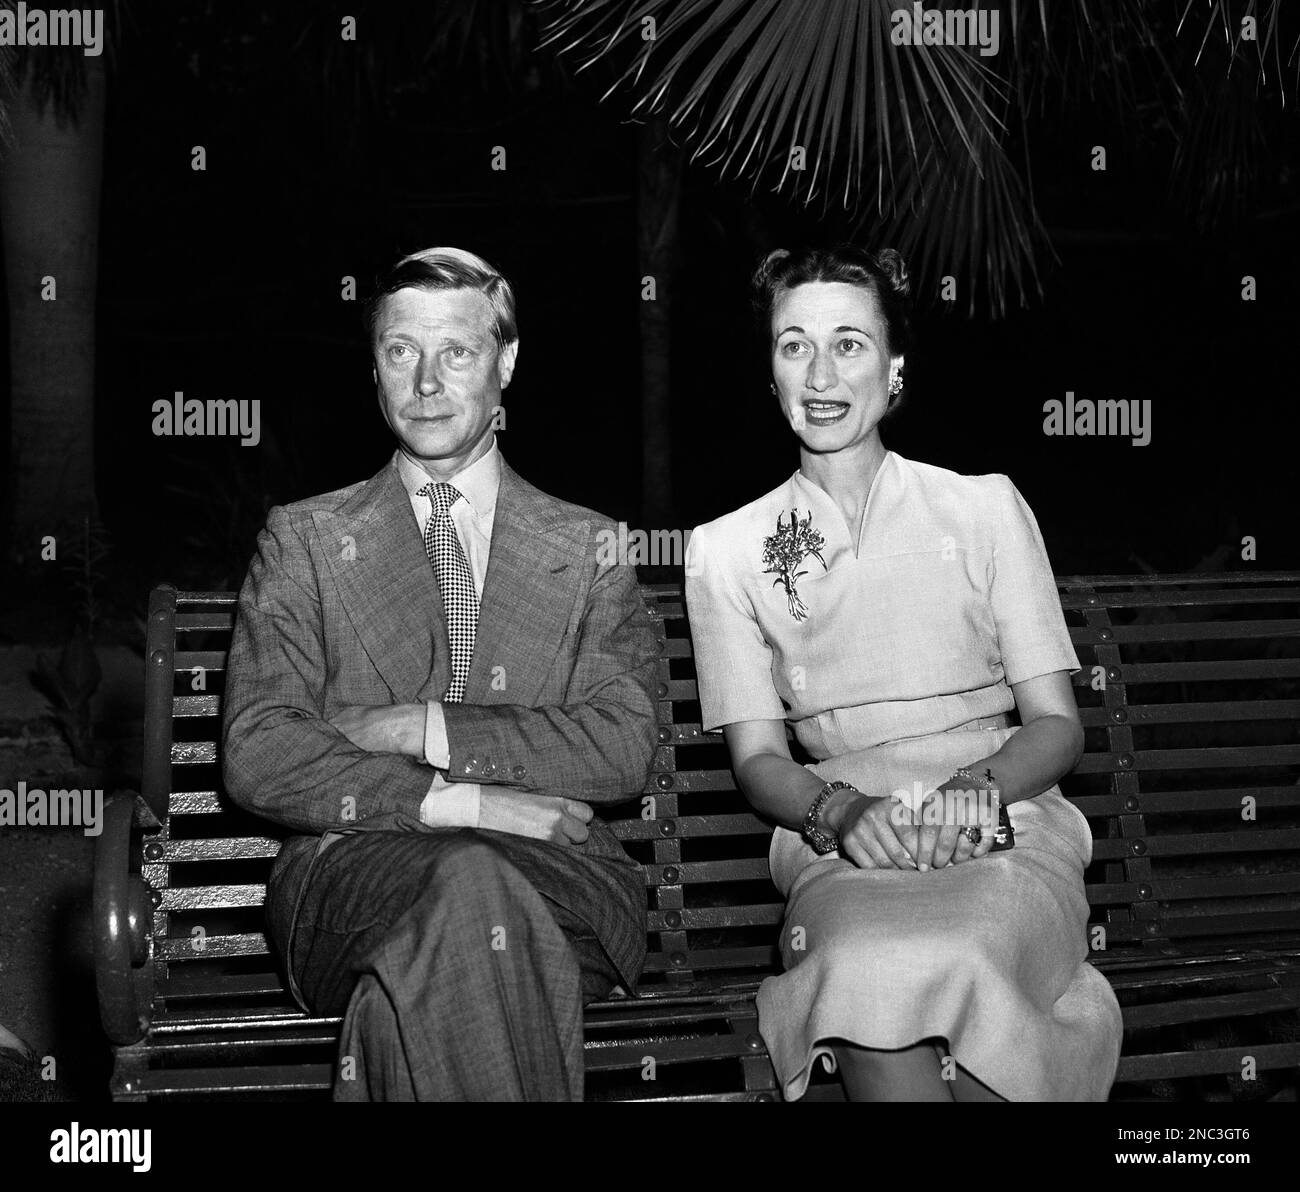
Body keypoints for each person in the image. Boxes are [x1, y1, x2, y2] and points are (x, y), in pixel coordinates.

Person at [684, 245, 1123, 1102]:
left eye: (849, 344)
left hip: (1009, 809)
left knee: (969, 949)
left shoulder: (984, 506)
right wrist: (842, 812)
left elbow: (1057, 727)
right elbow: (759, 763)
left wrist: (968, 795)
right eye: (793, 345)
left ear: (893, 371)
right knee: (863, 968)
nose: (819, 373)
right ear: (769, 374)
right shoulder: (725, 549)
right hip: (839, 835)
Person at [222, 246, 660, 1101]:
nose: (426, 381)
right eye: (400, 352)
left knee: (405, 997)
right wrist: (459, 803)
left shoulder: (589, 546)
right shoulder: (306, 540)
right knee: (466, 880)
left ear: (507, 362)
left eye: (456, 352)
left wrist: (421, 728)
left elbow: (622, 746)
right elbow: (260, 750)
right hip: (354, 875)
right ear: (376, 369)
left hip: (560, 877)